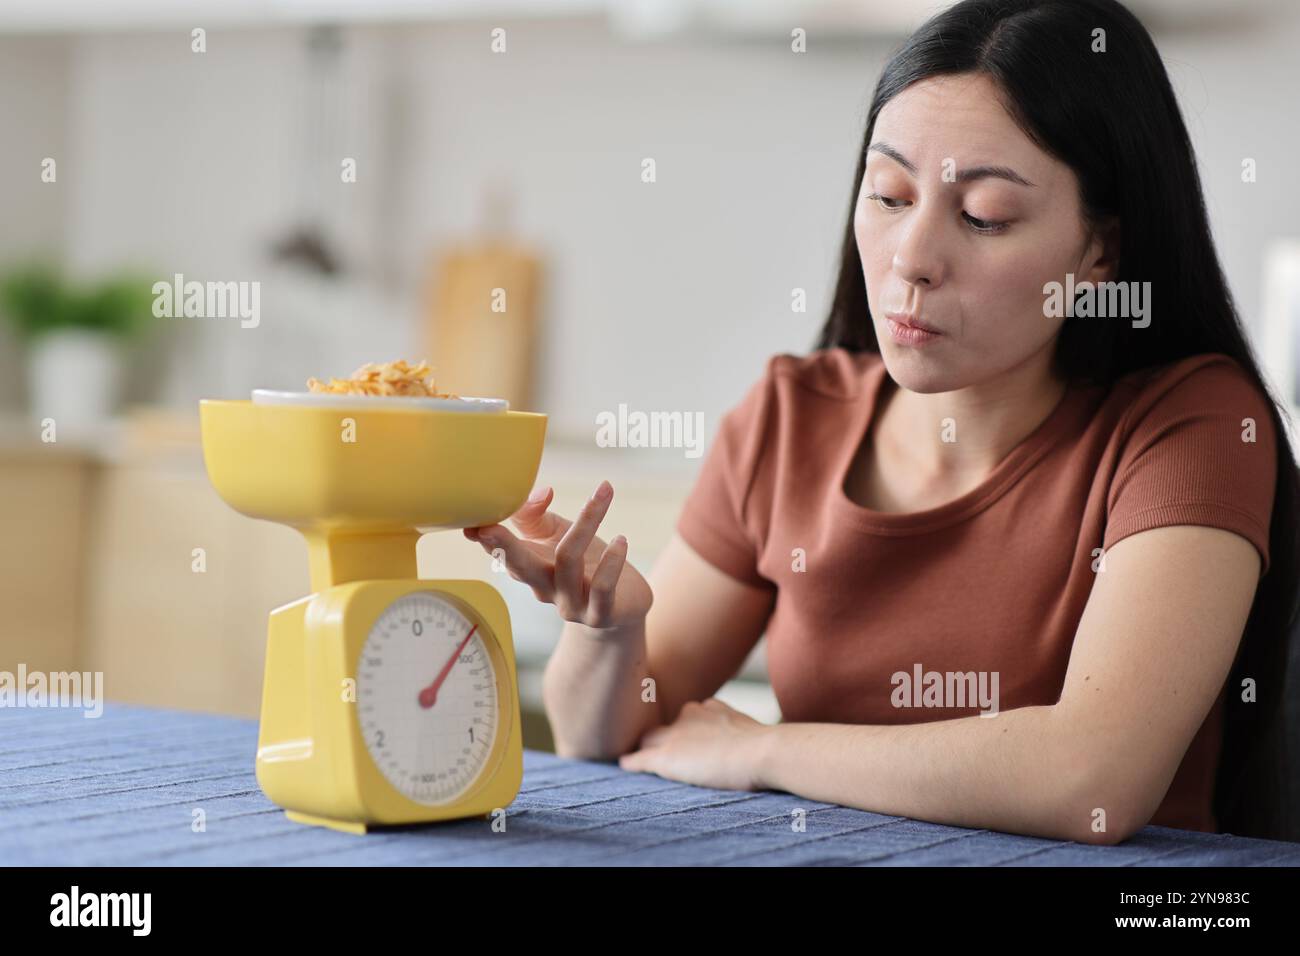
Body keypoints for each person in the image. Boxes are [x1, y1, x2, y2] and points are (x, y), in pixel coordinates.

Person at [465, 0, 1300, 844]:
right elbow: (603, 740)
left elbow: (1091, 778)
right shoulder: (792, 418)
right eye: (890, 194)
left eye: (982, 216)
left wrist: (766, 750)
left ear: (1100, 255)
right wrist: (609, 631)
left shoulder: (1192, 423)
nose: (911, 260)